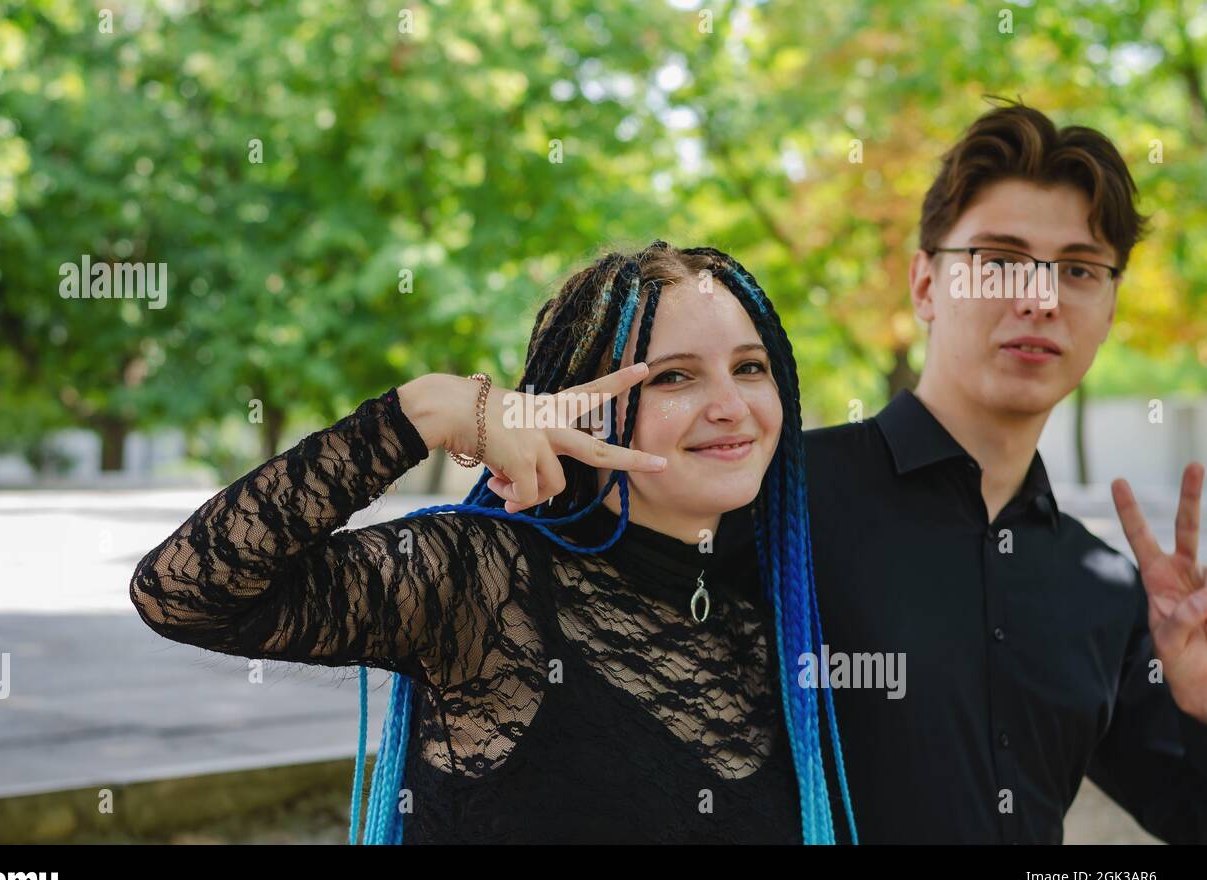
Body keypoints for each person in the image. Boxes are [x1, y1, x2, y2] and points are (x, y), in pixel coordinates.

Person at [129, 241, 857, 844]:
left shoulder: (783, 603)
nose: (731, 406)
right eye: (674, 377)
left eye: (750, 367)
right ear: (580, 406)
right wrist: (430, 410)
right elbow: (184, 591)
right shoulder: (485, 578)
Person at [802, 102, 1207, 843]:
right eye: (1001, 261)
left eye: (1079, 269)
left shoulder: (1106, 588)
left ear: (1111, 307)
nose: (1041, 298)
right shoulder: (787, 496)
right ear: (925, 286)